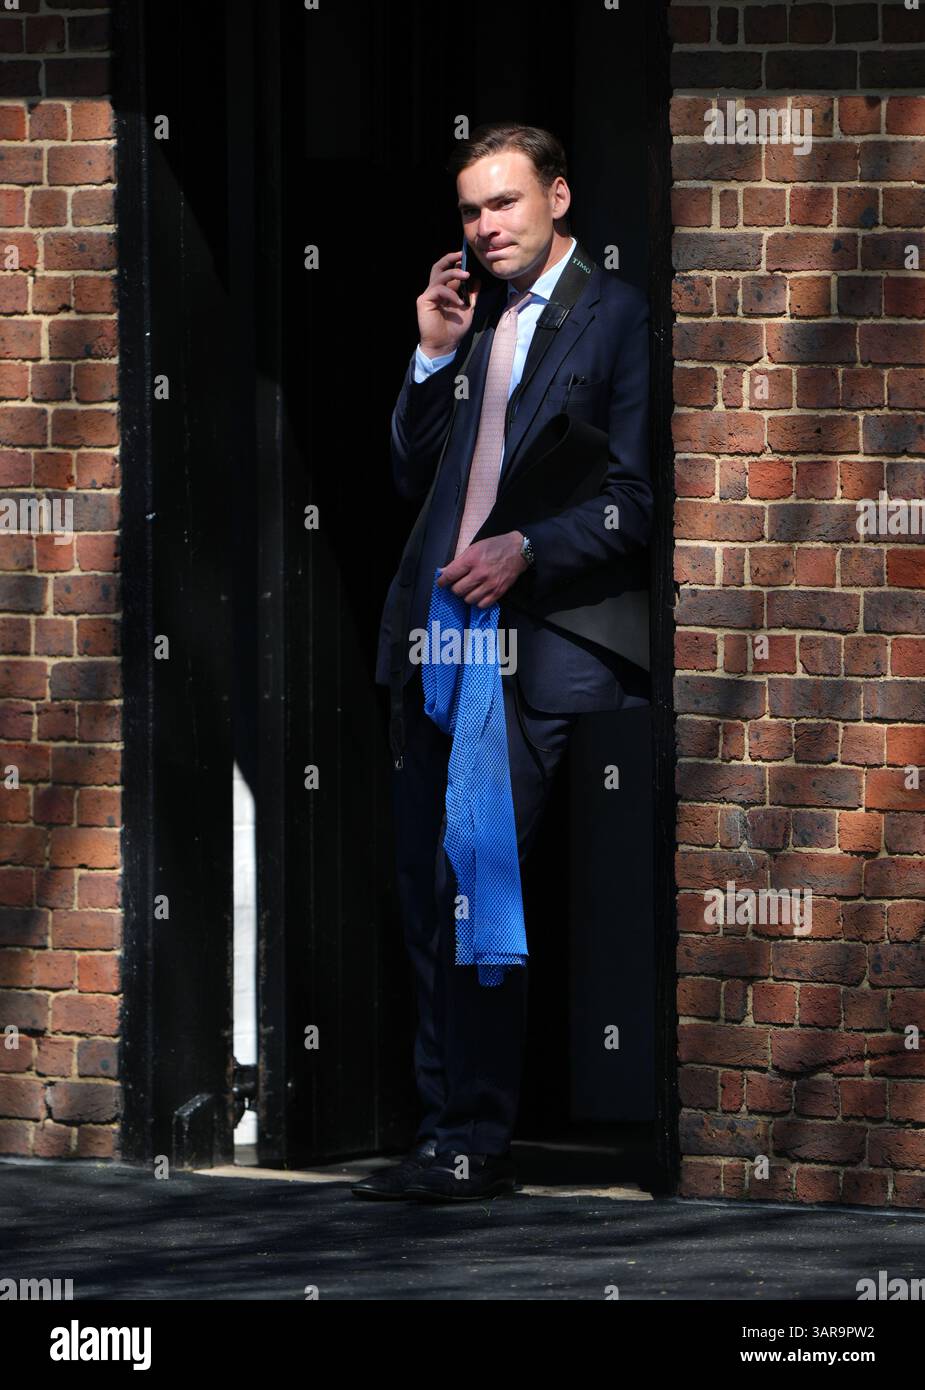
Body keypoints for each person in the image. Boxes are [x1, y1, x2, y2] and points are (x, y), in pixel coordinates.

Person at [353, 122, 653, 1203]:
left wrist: (529, 547)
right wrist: (432, 353)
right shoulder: (469, 322)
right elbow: (410, 474)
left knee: (478, 883)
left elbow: (632, 499)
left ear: (558, 198)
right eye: (472, 211)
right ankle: (450, 1128)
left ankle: (475, 1138)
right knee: (427, 887)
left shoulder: (612, 315)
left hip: (534, 648)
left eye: (506, 204)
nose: (485, 228)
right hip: (432, 643)